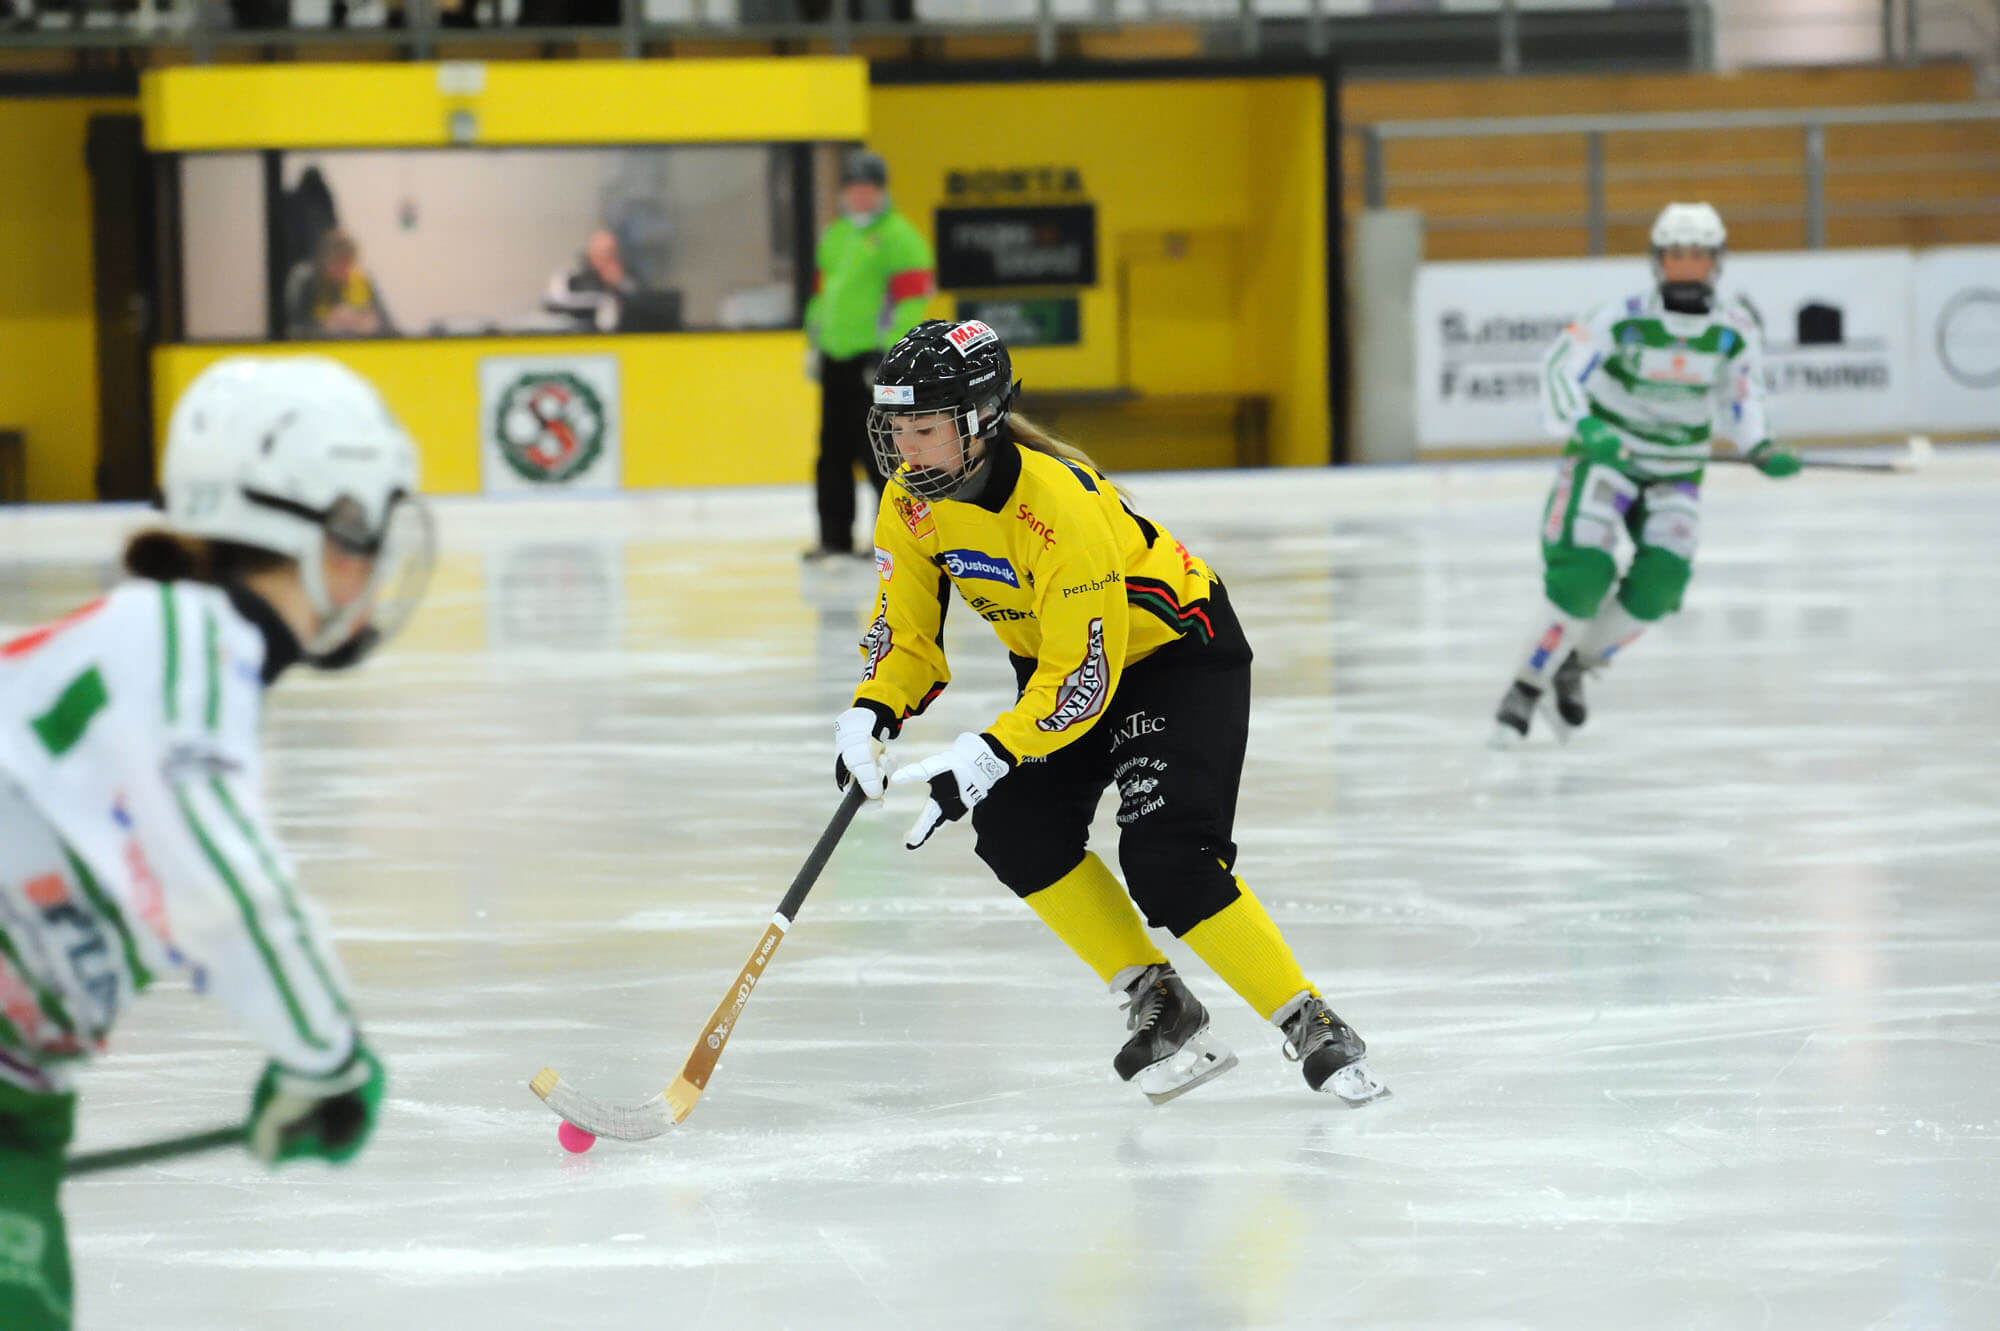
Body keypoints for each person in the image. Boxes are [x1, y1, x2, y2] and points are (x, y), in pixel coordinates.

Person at [831, 319, 1388, 1107]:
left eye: (924, 428)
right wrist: (871, 712)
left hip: (1175, 660)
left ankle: (1310, 1018)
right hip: (1064, 669)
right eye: (895, 428)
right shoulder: (911, 505)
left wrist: (990, 750)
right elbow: (907, 633)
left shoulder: (1059, 504)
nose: (904, 449)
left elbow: (1082, 679)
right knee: (1016, 828)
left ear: (981, 419)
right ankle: (1161, 999)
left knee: (1167, 857)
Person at [0, 356, 435, 1330]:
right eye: (368, 532)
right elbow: (223, 888)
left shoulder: (179, 649)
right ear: (331, 530)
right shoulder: (181, 638)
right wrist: (323, 1055)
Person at [1490, 202, 1801, 747]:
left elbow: (1742, 394)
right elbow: (1560, 365)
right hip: (1608, 461)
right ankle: (1526, 685)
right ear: (1658, 261)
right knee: (1582, 574)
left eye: (1698, 256)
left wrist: (1760, 444)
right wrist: (1585, 425)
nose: (1687, 267)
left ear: (1717, 262)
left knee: (1662, 584)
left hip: (1675, 473)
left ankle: (1576, 662)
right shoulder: (1621, 316)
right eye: (1676, 256)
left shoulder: (1734, 329)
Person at [803, 149, 936, 561]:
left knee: (879, 448)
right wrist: (814, 341)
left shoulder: (900, 237)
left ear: (881, 192)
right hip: (835, 358)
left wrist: (889, 351)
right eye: (854, 189)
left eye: (868, 189)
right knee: (832, 450)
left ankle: (890, 536)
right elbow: (822, 296)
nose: (860, 197)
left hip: (873, 362)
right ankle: (834, 538)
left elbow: (912, 301)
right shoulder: (837, 235)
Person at [284, 230, 393, 340]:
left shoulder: (363, 280)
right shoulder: (306, 282)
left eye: (347, 264)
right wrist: (325, 327)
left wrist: (370, 324)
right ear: (323, 262)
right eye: (337, 264)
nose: (343, 271)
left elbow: (388, 326)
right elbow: (293, 329)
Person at [544, 229, 640, 333]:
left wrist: (618, 283)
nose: (604, 258)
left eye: (609, 253)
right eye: (600, 253)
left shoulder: (626, 279)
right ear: (591, 253)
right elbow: (555, 306)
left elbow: (639, 306)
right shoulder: (570, 277)